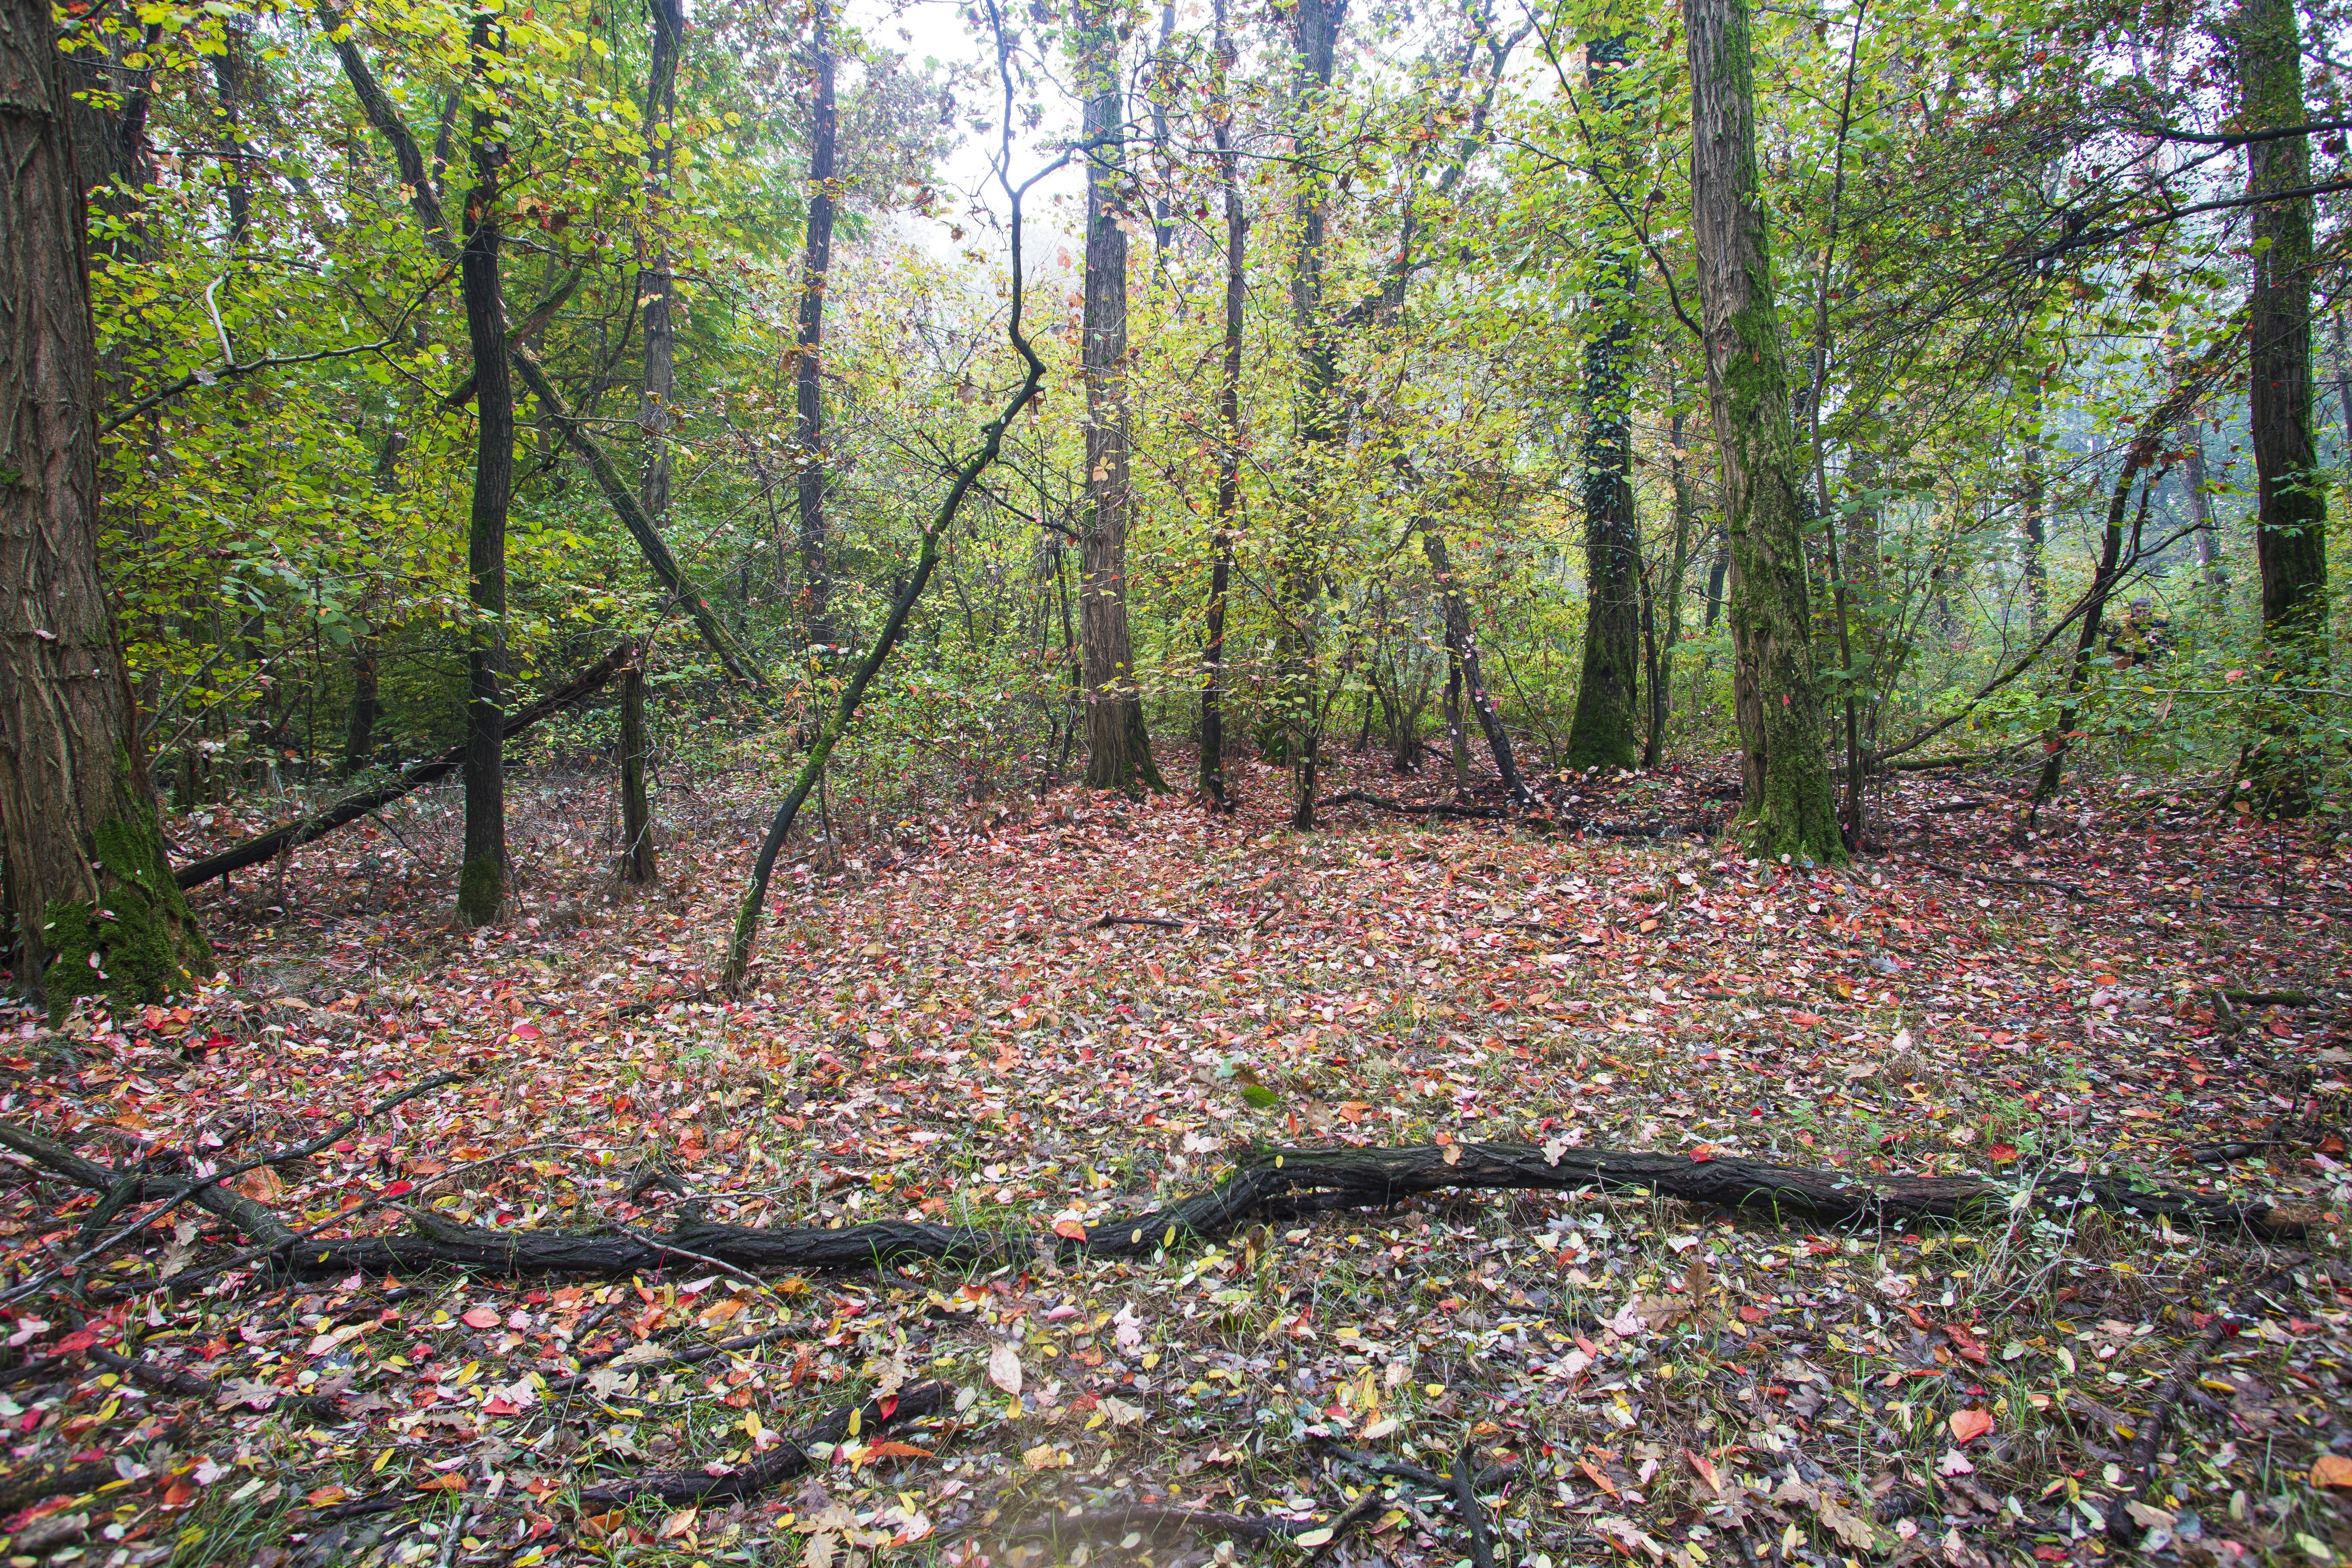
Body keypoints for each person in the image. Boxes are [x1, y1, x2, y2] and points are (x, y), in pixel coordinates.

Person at [2104, 598, 2170, 669]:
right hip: (2125, 667)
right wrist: (2130, 647)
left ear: (2150, 610)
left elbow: (2169, 644)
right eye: (2138, 611)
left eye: (2145, 611)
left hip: (2152, 667)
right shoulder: (2123, 622)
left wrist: (2156, 643)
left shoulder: (2160, 622)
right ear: (2133, 610)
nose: (2142, 614)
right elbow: (2110, 646)